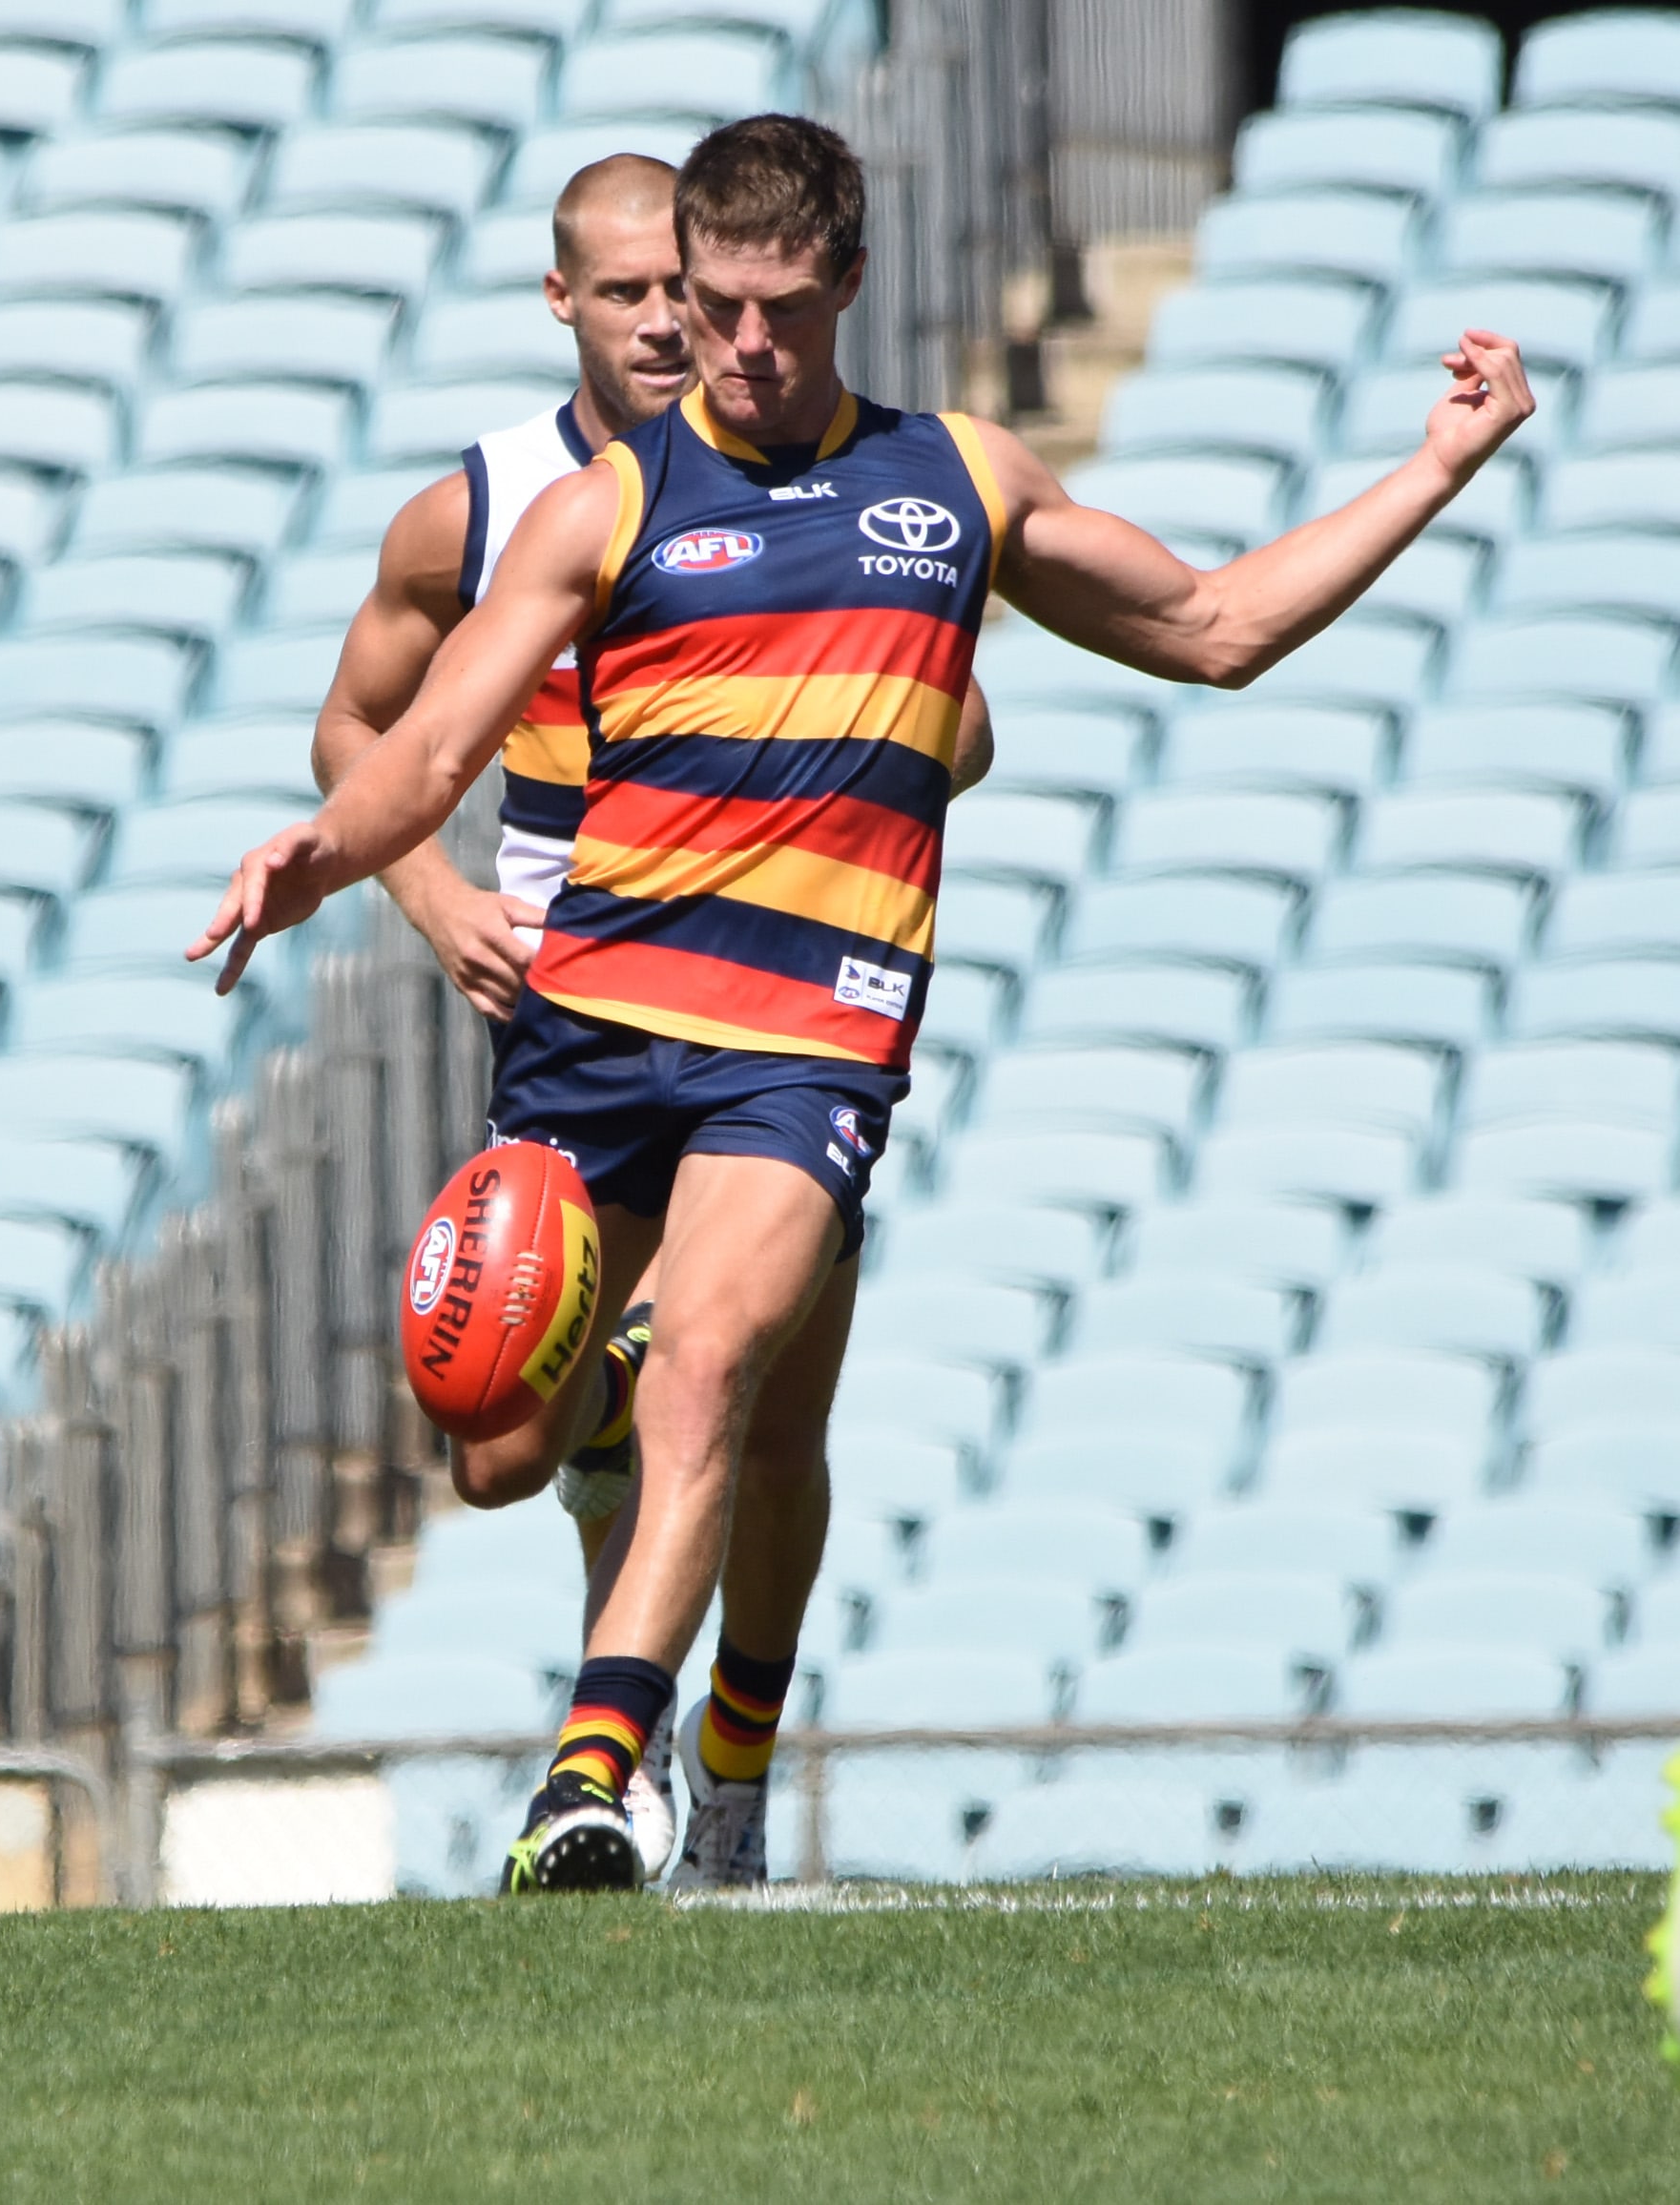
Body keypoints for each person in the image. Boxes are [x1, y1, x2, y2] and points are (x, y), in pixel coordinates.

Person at [192, 113, 1533, 1896]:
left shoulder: (956, 484)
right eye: (717, 307)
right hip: (591, 1032)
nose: (741, 349)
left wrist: (1438, 461)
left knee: (713, 1371)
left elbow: (1215, 625)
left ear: (849, 286)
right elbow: (428, 746)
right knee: (502, 1455)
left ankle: (597, 1780)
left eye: (781, 312)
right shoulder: (608, 505)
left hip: (804, 1041)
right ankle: (637, 1662)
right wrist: (332, 855)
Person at [314, 145, 996, 1889]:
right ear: (578, 301)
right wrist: (433, 890)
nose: (673, 330)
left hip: (781, 995)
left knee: (758, 1407)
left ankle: (713, 1778)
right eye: (634, 296)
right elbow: (370, 741)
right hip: (573, 1000)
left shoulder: (824, 487)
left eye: (676, 294)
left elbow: (964, 722)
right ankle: (615, 1436)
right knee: (505, 1448)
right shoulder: (492, 511)